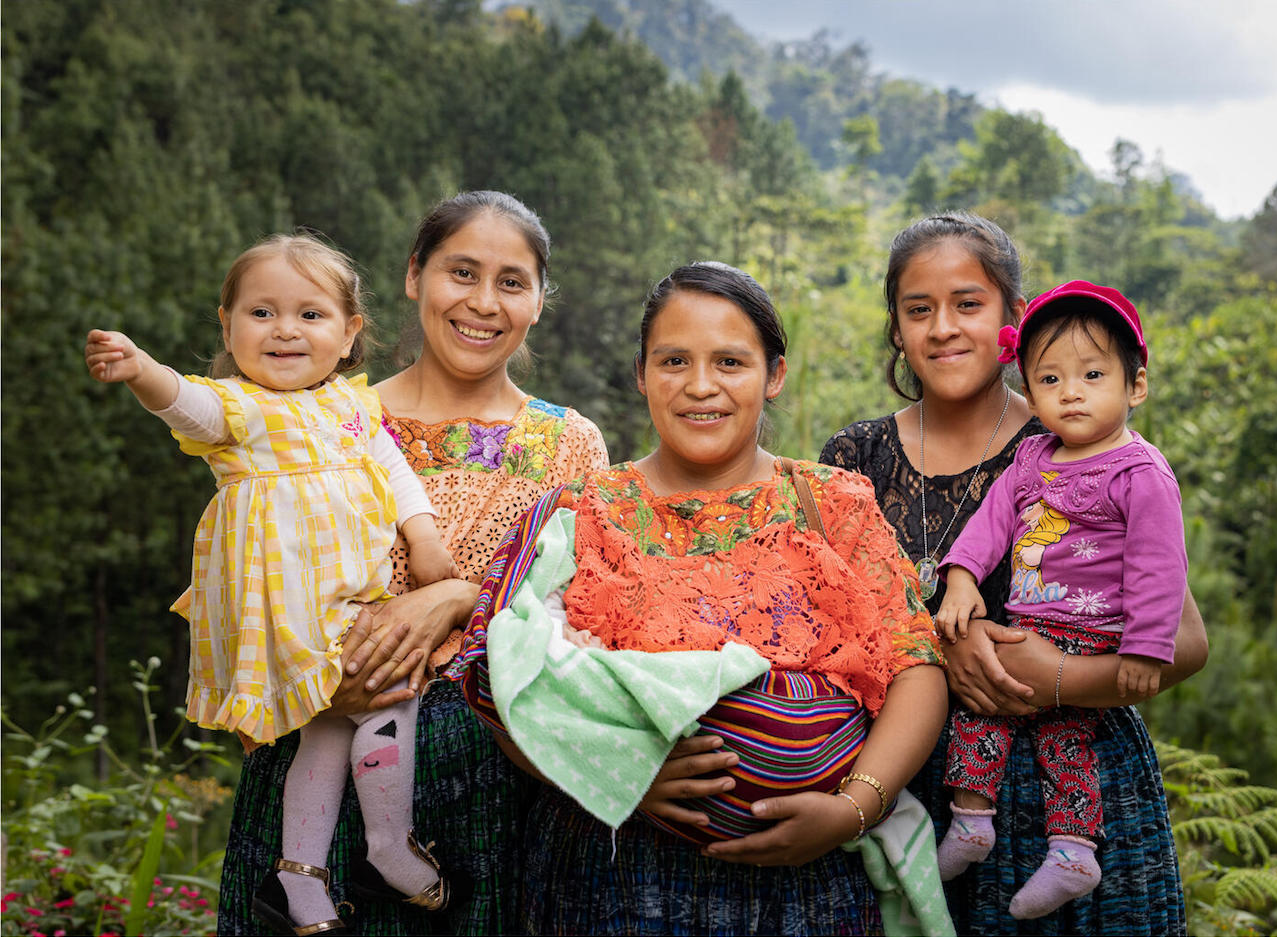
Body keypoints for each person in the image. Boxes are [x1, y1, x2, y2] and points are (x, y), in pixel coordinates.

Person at [461, 262, 950, 936]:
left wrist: (853, 809)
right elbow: (508, 682)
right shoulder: (581, 511)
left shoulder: (833, 502)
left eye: (729, 361)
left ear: (773, 374)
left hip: (812, 890)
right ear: (641, 373)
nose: (699, 386)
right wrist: (612, 769)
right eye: (673, 360)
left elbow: (916, 663)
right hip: (614, 879)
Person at [215, 191, 608, 936]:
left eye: (512, 282)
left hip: (493, 786)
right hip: (313, 765)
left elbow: (581, 628)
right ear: (414, 276)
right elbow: (246, 570)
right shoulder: (320, 416)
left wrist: (460, 596)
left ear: (538, 303)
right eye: (461, 272)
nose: (483, 303)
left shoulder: (570, 444)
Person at [820, 212, 1208, 935]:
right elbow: (832, 630)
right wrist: (942, 649)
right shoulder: (856, 455)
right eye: (918, 309)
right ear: (897, 329)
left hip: (1072, 794)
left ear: (1012, 323)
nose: (943, 328)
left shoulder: (1077, 445)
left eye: (968, 303)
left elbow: (1186, 643)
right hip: (905, 790)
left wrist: (1056, 677)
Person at [86, 234, 459, 934]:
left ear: (349, 334)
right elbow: (182, 403)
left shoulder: (351, 408)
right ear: (226, 325)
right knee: (391, 693)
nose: (285, 329)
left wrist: (426, 537)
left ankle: (300, 878)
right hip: (289, 608)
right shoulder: (240, 408)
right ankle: (388, 844)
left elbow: (397, 471)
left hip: (347, 596)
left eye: (311, 315)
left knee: (324, 735)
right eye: (261, 313)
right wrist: (142, 370)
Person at [932, 280, 1187, 919]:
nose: (1071, 391)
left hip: (1093, 631)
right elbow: (989, 526)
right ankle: (971, 819)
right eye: (1049, 379)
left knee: (1066, 740)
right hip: (1028, 625)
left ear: (1136, 386)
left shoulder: (1139, 472)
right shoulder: (1031, 460)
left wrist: (1147, 649)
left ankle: (1074, 851)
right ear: (1030, 388)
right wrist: (961, 577)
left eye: (1093, 375)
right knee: (980, 716)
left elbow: (1160, 567)